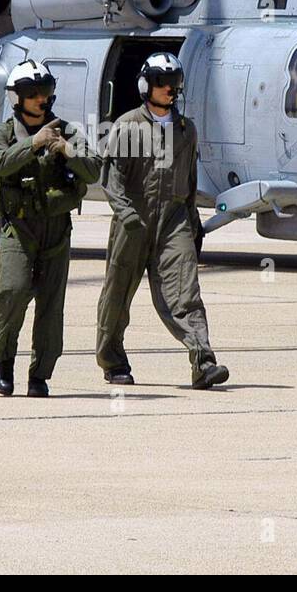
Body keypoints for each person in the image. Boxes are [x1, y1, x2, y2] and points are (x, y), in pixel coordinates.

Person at [95, 52, 229, 389]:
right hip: (133, 223)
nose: (169, 89)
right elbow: (113, 181)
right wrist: (127, 216)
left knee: (185, 293)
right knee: (117, 294)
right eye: (162, 82)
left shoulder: (186, 130)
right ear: (146, 85)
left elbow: (189, 179)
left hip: (174, 223)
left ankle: (203, 361)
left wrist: (193, 222)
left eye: (174, 83)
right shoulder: (127, 126)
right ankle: (113, 361)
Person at [0, 60, 100, 397]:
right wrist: (34, 143)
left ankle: (40, 375)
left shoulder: (67, 131)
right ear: (16, 98)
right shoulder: (6, 133)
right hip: (18, 229)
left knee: (52, 306)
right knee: (13, 293)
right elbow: (0, 163)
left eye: (45, 92)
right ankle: (4, 361)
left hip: (56, 230)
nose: (40, 99)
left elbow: (94, 170)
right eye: (31, 93)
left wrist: (66, 150)